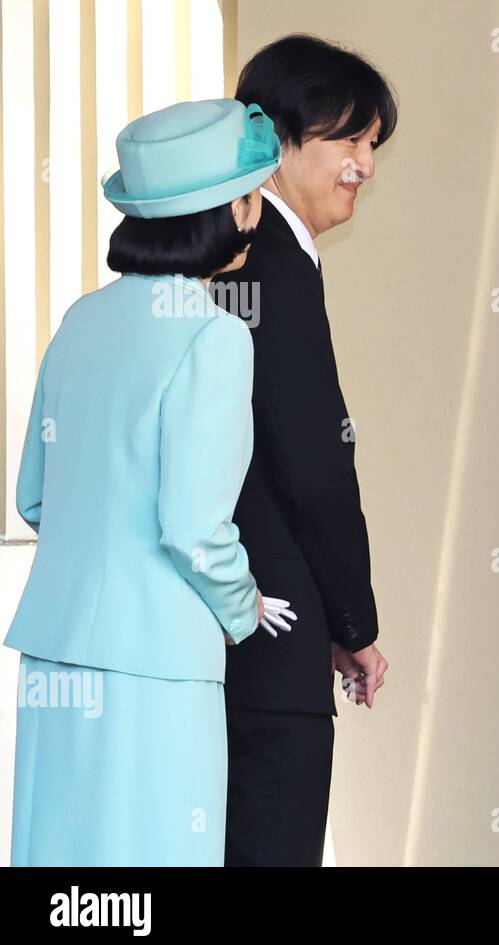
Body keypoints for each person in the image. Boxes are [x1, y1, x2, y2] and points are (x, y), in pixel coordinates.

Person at [5, 99, 290, 865]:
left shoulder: (80, 320)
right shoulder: (215, 336)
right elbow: (194, 528)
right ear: (231, 209)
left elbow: (33, 494)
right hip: (156, 661)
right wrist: (245, 604)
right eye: (254, 192)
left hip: (54, 650)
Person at [220, 34, 396, 866]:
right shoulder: (279, 271)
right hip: (272, 639)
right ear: (276, 138)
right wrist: (352, 622)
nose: (364, 163)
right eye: (347, 140)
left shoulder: (224, 261)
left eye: (372, 144)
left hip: (218, 638)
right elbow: (315, 470)